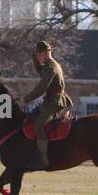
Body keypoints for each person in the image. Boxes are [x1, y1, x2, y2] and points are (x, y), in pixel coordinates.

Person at [22, 40, 69, 170]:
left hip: (56, 102)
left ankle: (43, 159)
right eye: (36, 55)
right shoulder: (48, 65)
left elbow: (42, 88)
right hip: (51, 101)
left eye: (38, 54)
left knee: (38, 125)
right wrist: (33, 54)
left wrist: (26, 98)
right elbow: (39, 68)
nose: (37, 57)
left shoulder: (51, 67)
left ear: (45, 53)